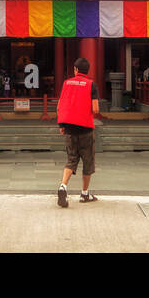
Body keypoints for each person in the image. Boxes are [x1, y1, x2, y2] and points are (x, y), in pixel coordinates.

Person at [56, 57, 103, 207]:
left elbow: (60, 105)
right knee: (88, 161)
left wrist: (62, 125)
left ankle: (63, 186)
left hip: (69, 128)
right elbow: (95, 109)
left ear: (75, 70)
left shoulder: (66, 83)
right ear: (87, 71)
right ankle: (84, 193)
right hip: (85, 129)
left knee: (71, 159)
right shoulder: (91, 85)